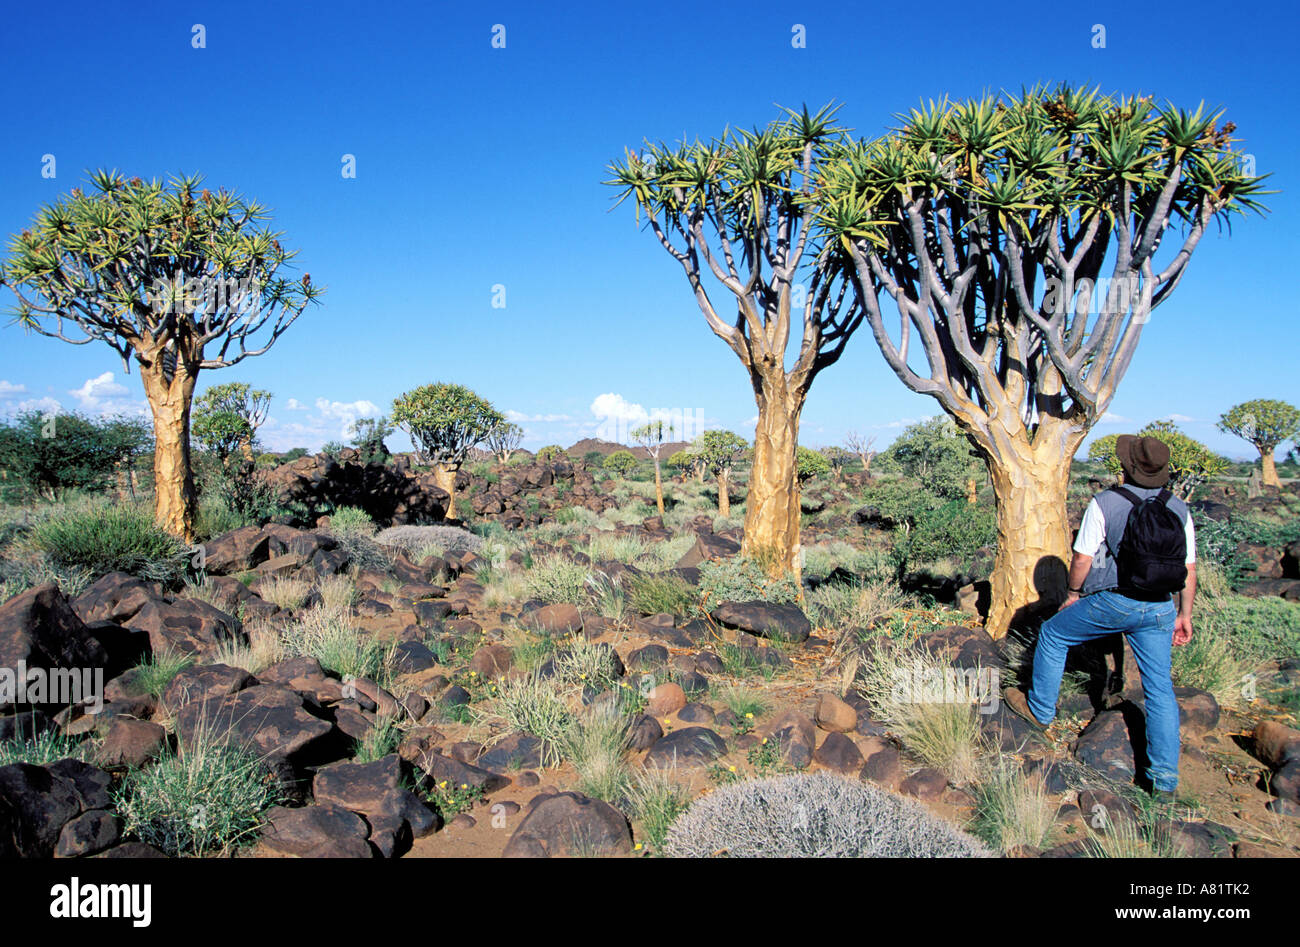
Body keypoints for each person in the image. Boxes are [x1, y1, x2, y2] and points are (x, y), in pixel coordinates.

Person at [1002, 435, 1196, 801]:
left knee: (1054, 634)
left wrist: (1073, 595)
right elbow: (1189, 567)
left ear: (1127, 467)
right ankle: (1165, 781)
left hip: (1117, 602)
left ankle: (1040, 711)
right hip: (1159, 607)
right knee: (1160, 691)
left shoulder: (1107, 502)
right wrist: (1183, 614)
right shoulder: (1179, 507)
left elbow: (1082, 560)